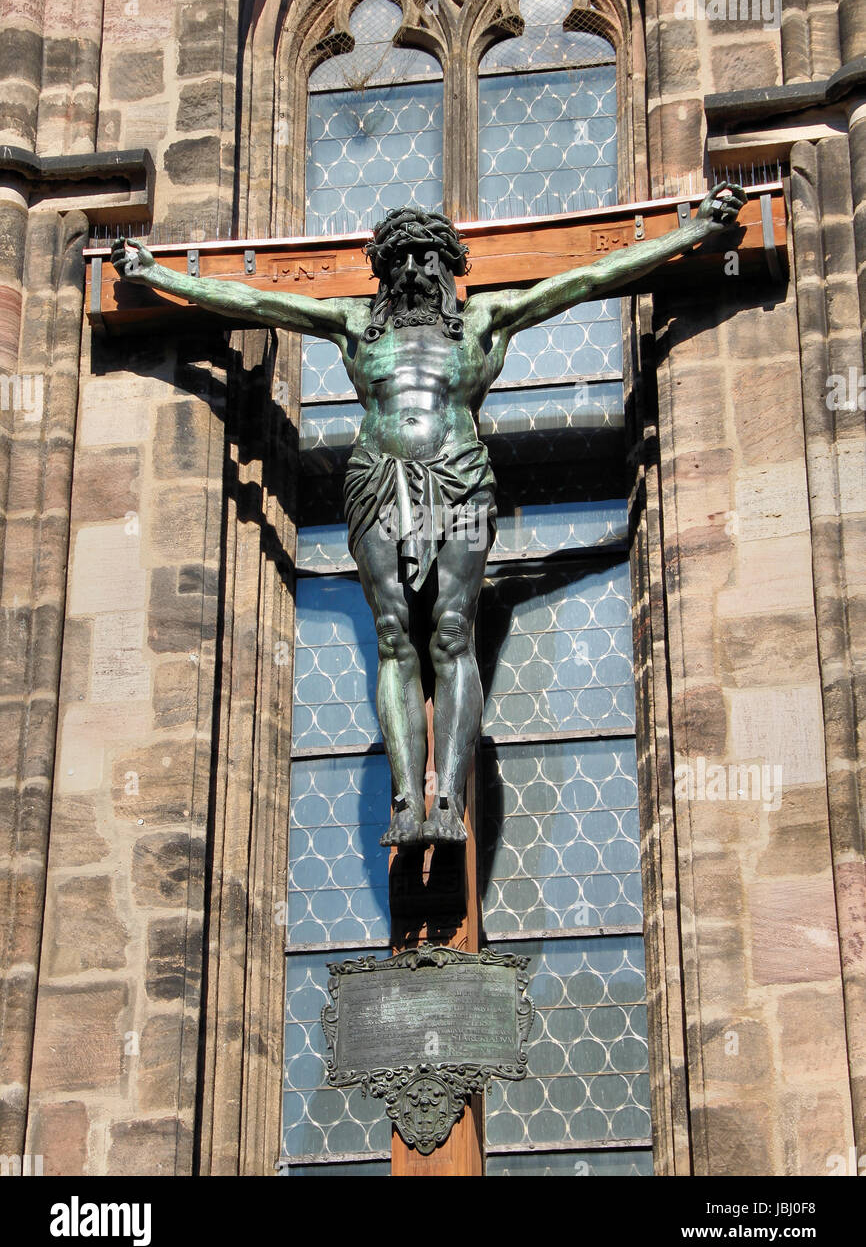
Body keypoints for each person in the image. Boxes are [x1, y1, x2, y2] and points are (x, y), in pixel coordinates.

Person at [111, 182, 746, 847]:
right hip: (379, 483)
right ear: (383, 272)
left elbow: (586, 278)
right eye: (399, 260)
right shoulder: (356, 324)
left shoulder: (485, 320)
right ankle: (407, 801)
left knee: (450, 632)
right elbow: (258, 298)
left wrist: (689, 234)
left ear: (450, 266)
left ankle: (449, 800)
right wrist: (157, 274)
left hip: (461, 482)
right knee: (392, 633)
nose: (412, 270)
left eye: (425, 257)